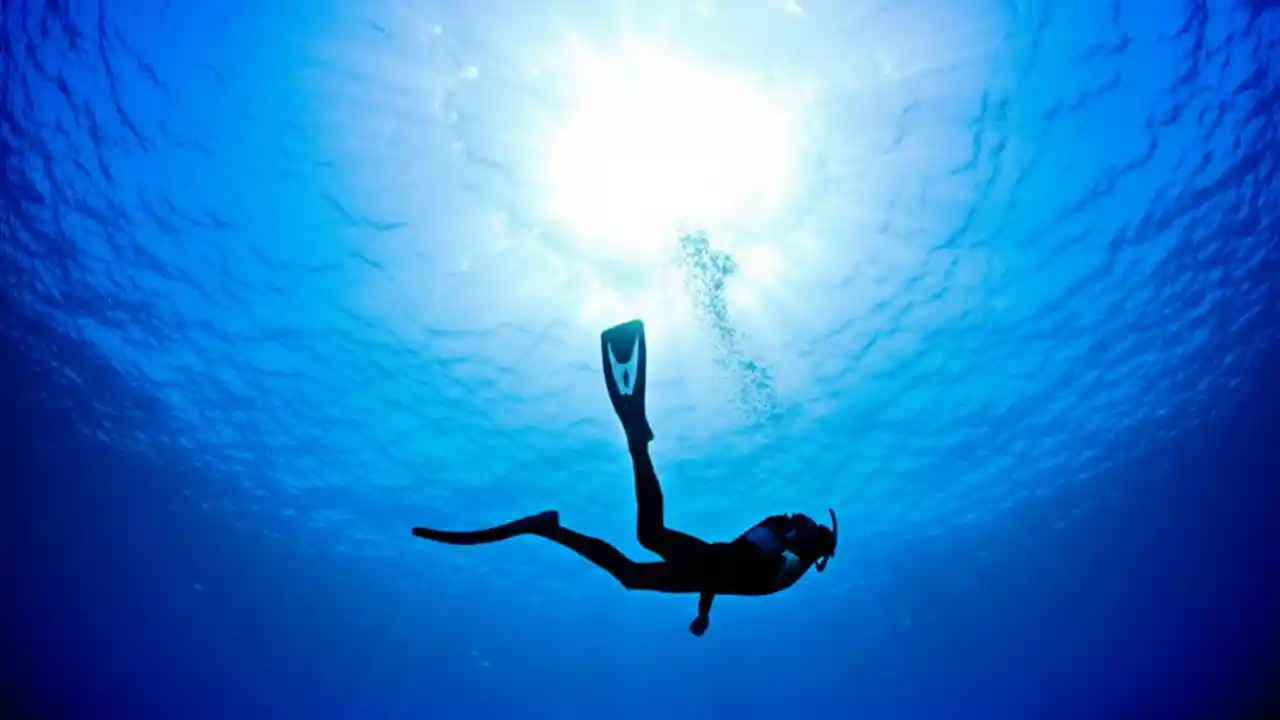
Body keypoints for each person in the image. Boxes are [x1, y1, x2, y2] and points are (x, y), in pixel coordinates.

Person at [412, 319, 837, 637]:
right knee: (644, 547)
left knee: (638, 559)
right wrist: (710, 603)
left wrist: (706, 609)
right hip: (709, 564)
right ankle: (631, 452)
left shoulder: (781, 549)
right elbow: (731, 565)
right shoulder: (783, 559)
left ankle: (561, 517)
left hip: (709, 566)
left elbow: (726, 569)